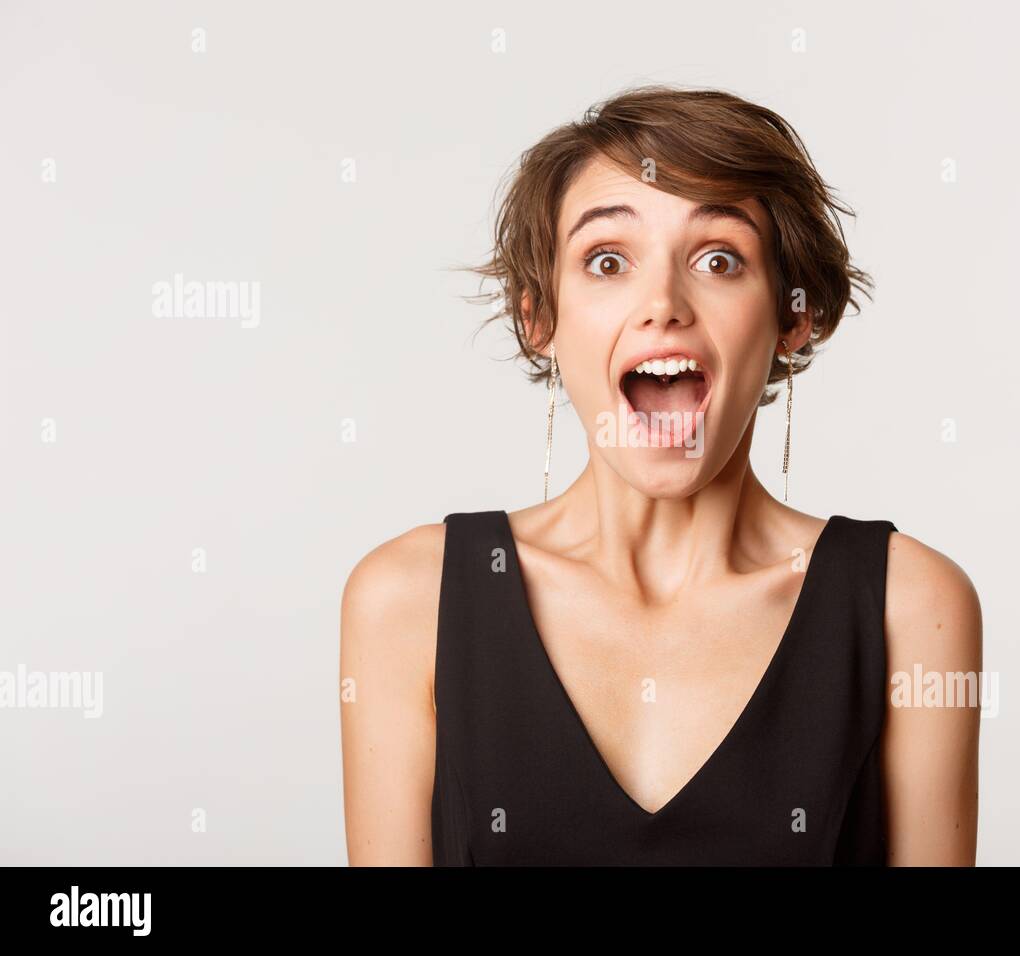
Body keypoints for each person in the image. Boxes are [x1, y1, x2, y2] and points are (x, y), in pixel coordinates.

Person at [340, 85, 982, 865]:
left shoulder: (907, 607)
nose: (663, 305)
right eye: (608, 261)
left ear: (792, 315)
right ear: (538, 317)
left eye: (718, 259)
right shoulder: (409, 601)